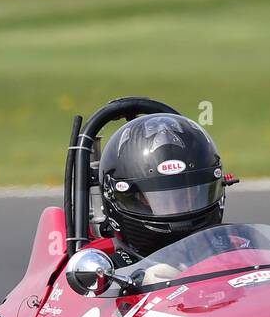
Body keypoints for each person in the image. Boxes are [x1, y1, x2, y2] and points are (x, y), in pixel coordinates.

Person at [85, 113, 235, 281]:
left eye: (184, 197)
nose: (175, 208)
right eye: (161, 200)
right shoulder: (103, 273)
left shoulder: (234, 246)